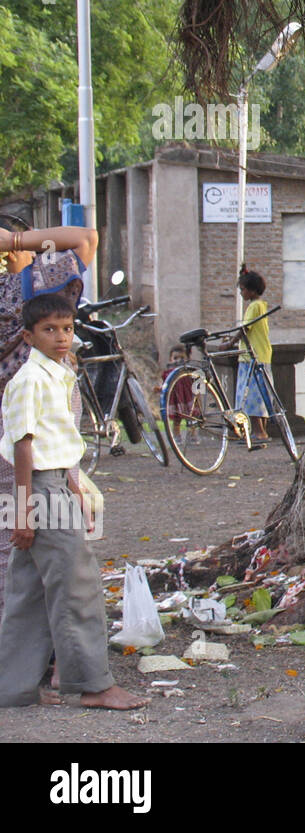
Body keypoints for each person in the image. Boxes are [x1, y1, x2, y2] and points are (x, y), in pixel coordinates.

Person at [0, 293, 145, 709]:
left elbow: (57, 443)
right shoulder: (29, 379)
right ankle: (93, 685)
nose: (61, 337)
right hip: (38, 491)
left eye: (66, 329)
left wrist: (75, 488)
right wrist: (25, 511)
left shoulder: (58, 373)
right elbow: (24, 448)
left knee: (28, 590)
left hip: (54, 486)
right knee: (77, 587)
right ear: (29, 336)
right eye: (49, 330)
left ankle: (13, 687)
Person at [0, 219, 97, 625]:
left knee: (16, 552)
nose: (61, 335)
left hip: (24, 446)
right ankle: (54, 657)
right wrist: (17, 242)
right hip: (42, 458)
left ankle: (23, 658)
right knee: (55, 555)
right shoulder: (32, 289)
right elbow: (84, 237)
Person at [233, 265, 272, 443]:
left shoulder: (253, 307)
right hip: (263, 355)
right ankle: (260, 431)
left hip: (251, 357)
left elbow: (244, 329)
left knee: (250, 397)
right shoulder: (261, 306)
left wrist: (230, 343)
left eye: (242, 289)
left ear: (250, 290)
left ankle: (259, 432)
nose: (241, 293)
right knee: (261, 396)